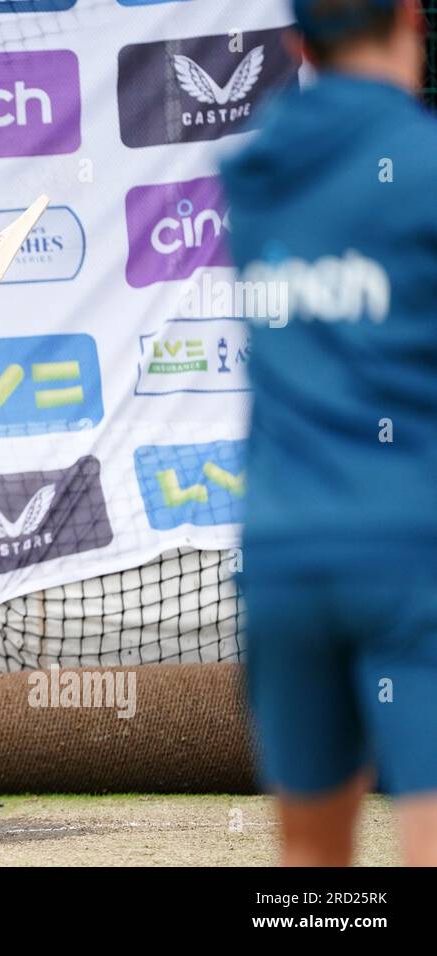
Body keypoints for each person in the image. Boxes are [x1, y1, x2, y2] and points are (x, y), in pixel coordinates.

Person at [220, 0, 437, 866]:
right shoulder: (421, 164)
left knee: (312, 872)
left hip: (282, 554)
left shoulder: (252, 174)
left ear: (297, 44)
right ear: (413, 19)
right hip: (408, 547)